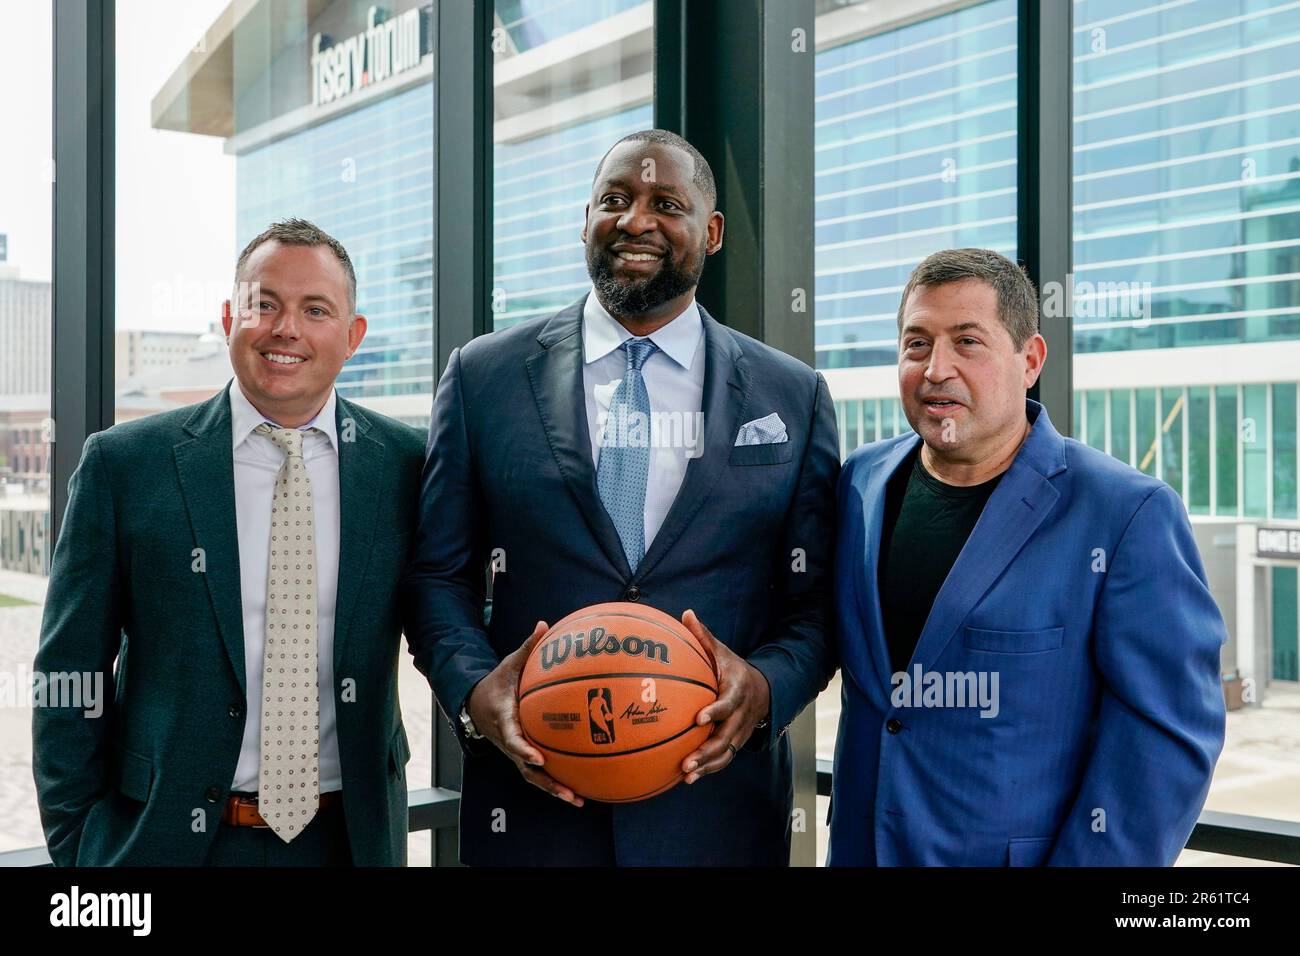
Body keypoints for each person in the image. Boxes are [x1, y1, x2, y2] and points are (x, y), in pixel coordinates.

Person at [401, 129, 839, 865]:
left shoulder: (791, 393)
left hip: (717, 818)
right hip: (531, 810)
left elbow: (819, 601)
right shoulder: (484, 376)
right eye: (615, 200)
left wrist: (764, 689)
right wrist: (476, 692)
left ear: (713, 231)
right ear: (585, 221)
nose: (637, 221)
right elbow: (435, 575)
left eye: (667, 203)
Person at [32, 218, 425, 866]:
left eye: (315, 309)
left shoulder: (407, 465)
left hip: (349, 843)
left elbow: (447, 616)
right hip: (167, 846)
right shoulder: (125, 466)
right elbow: (68, 673)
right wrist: (79, 847)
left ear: (353, 336)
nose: (285, 329)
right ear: (227, 317)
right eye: (262, 304)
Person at [829, 247, 1226, 866]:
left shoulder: (1125, 513)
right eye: (916, 344)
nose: (937, 369)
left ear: (1030, 360)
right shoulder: (858, 483)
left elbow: (1167, 742)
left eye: (968, 342)